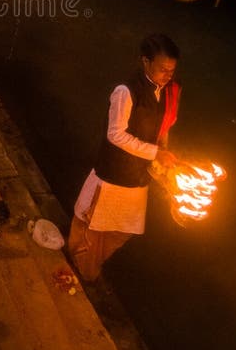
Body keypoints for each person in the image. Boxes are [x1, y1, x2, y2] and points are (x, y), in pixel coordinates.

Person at [67, 33, 181, 283]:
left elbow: (164, 129)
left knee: (122, 230)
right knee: (89, 226)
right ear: (145, 62)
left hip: (138, 178)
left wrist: (163, 158)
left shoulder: (169, 92)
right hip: (112, 175)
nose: (168, 75)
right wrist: (155, 153)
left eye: (171, 70)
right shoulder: (126, 91)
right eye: (163, 69)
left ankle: (90, 266)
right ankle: (79, 270)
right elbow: (115, 134)